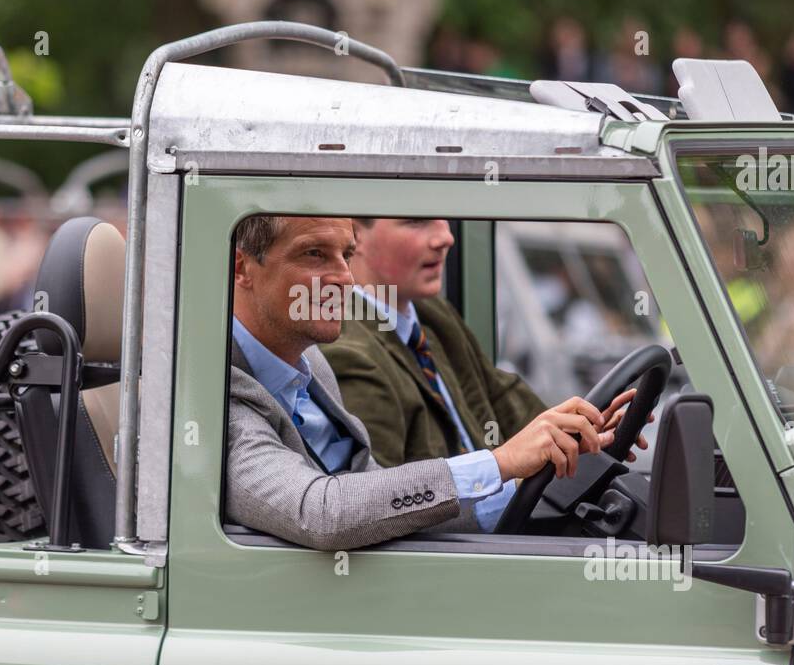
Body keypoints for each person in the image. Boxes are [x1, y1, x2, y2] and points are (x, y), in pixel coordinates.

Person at [226, 215, 627, 551]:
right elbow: (322, 512)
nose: (345, 280)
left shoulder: (307, 362)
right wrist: (500, 463)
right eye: (314, 254)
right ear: (241, 266)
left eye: (345, 255)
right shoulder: (216, 391)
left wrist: (541, 472)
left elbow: (376, 491)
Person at [322, 218, 645, 532]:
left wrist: (589, 427)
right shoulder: (348, 351)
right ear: (354, 236)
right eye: (416, 221)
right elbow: (384, 507)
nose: (445, 237)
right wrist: (510, 479)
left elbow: (506, 399)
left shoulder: (430, 314)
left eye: (443, 218)